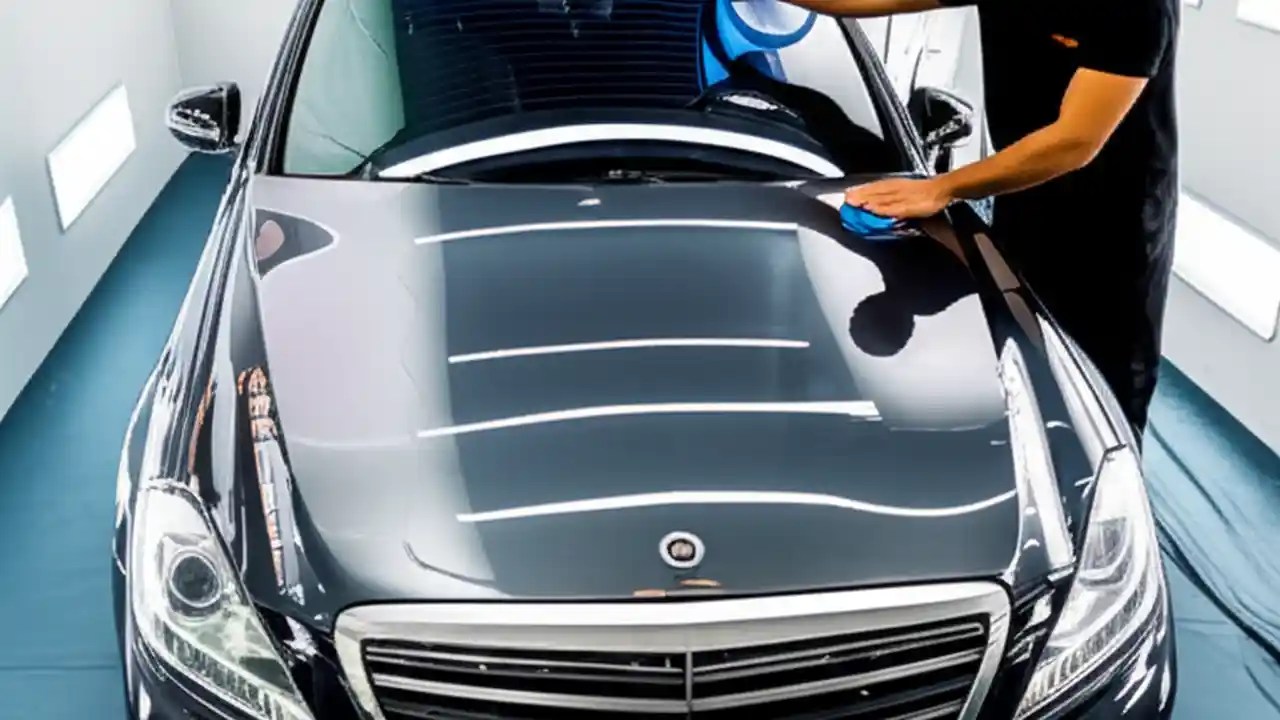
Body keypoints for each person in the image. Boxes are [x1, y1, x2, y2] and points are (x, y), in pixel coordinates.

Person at [781, 0, 1179, 440]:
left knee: (1101, 406)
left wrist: (940, 188)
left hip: (1110, 238)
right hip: (1019, 195)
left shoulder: (1139, 8)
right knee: (1021, 368)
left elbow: (1075, 141)